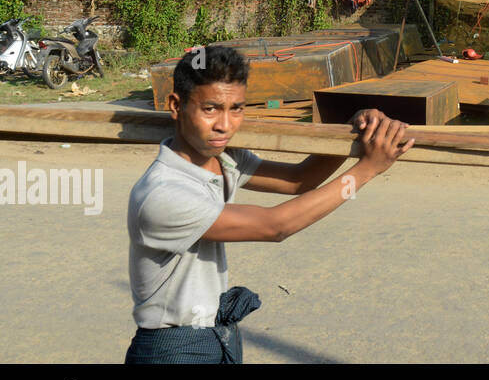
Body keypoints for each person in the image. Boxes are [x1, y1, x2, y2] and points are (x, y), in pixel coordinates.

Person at [125, 45, 413, 363]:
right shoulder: (162, 193)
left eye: (236, 108)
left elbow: (298, 180)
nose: (225, 125)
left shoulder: (224, 159)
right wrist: (367, 170)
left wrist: (351, 132)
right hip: (172, 350)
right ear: (176, 106)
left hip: (214, 335)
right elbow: (275, 227)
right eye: (211, 109)